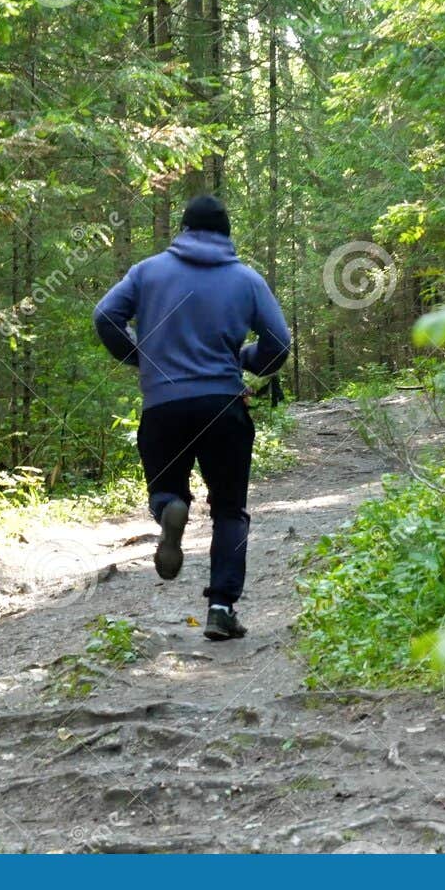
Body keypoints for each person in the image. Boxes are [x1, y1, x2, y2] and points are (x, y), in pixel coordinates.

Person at [93, 196, 292, 640]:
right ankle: (221, 607)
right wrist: (245, 358)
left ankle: (169, 508)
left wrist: (141, 358)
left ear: (182, 230)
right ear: (226, 234)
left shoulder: (148, 272)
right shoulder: (246, 279)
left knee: (165, 488)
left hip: (164, 407)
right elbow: (279, 343)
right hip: (223, 406)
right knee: (229, 511)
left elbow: (105, 316)